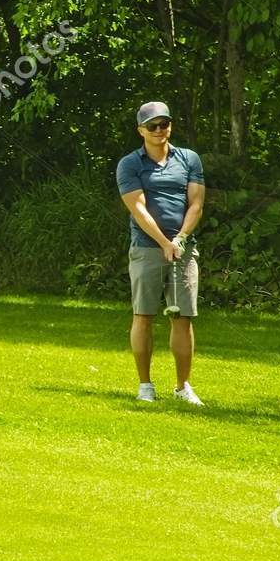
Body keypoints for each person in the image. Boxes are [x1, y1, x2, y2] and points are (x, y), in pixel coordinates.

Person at [115, 101, 206, 405]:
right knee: (144, 315)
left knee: (182, 317)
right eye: (152, 126)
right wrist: (164, 242)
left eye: (164, 124)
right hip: (146, 247)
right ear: (141, 130)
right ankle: (145, 386)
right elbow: (138, 208)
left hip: (183, 248)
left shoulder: (189, 159)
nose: (159, 130)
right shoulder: (130, 164)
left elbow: (196, 203)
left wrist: (179, 239)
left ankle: (183, 386)